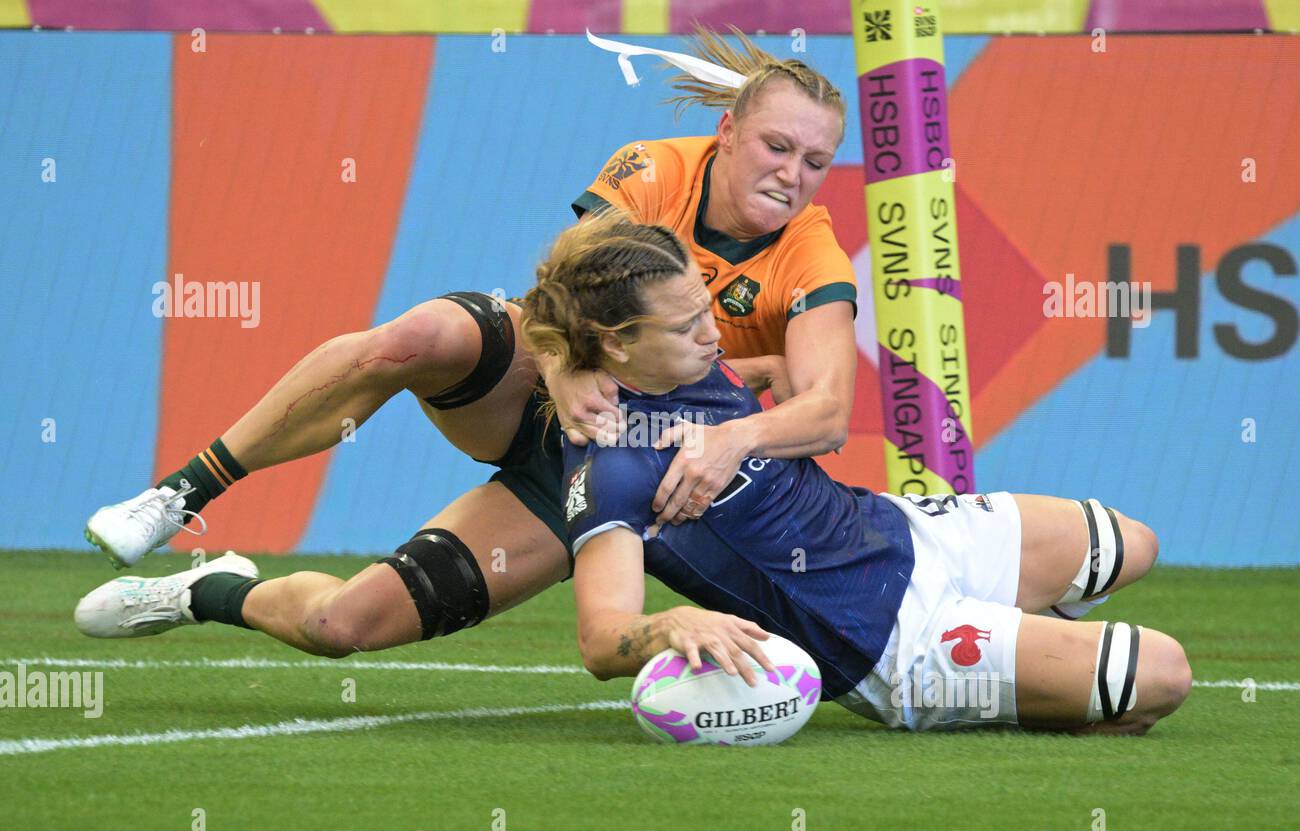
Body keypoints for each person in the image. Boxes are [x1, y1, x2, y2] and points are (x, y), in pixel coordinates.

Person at [74, 30, 862, 656]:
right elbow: (563, 290)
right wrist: (561, 367)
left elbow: (826, 411)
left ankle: (203, 592)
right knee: (422, 335)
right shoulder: (653, 169)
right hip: (540, 386)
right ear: (727, 131)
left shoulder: (811, 255)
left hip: (614, 466)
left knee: (343, 626)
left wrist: (735, 437)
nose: (793, 174)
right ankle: (182, 493)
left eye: (816, 161)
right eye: (776, 147)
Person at [521, 212, 1191, 734]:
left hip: (898, 528)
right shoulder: (612, 469)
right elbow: (600, 638)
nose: (712, 331)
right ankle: (1015, 677)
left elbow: (558, 296)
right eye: (686, 324)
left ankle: (1032, 656)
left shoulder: (689, 359)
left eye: (706, 307)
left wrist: (761, 388)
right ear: (616, 342)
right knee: (1162, 675)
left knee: (1132, 543)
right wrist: (669, 626)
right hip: (886, 640)